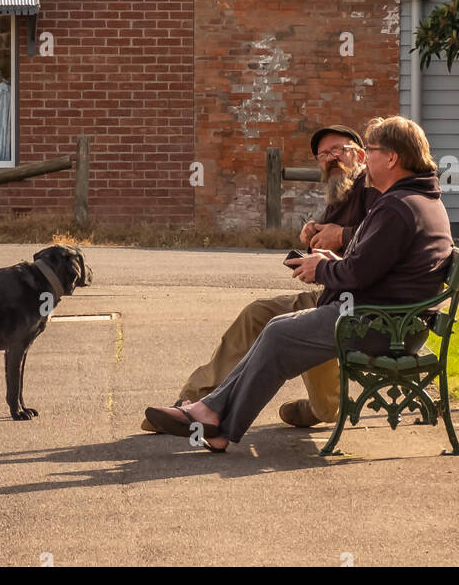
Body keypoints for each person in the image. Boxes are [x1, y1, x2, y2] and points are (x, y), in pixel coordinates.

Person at [144, 116, 454, 453]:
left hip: (379, 324)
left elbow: (360, 273)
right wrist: (331, 263)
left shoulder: (397, 206)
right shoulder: (413, 200)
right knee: (275, 324)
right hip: (388, 318)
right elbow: (372, 266)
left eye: (371, 149)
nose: (366, 156)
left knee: (279, 332)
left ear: (392, 158)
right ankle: (216, 419)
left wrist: (322, 269)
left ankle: (215, 414)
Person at [140, 125, 373, 434]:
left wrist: (340, 234)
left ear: (360, 155)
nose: (331, 159)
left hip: (353, 307)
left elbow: (386, 239)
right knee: (257, 314)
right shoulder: (341, 192)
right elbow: (343, 249)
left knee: (288, 326)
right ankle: (190, 402)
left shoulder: (374, 188)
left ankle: (323, 407)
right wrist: (314, 237)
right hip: (335, 297)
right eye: (323, 155)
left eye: (338, 151)